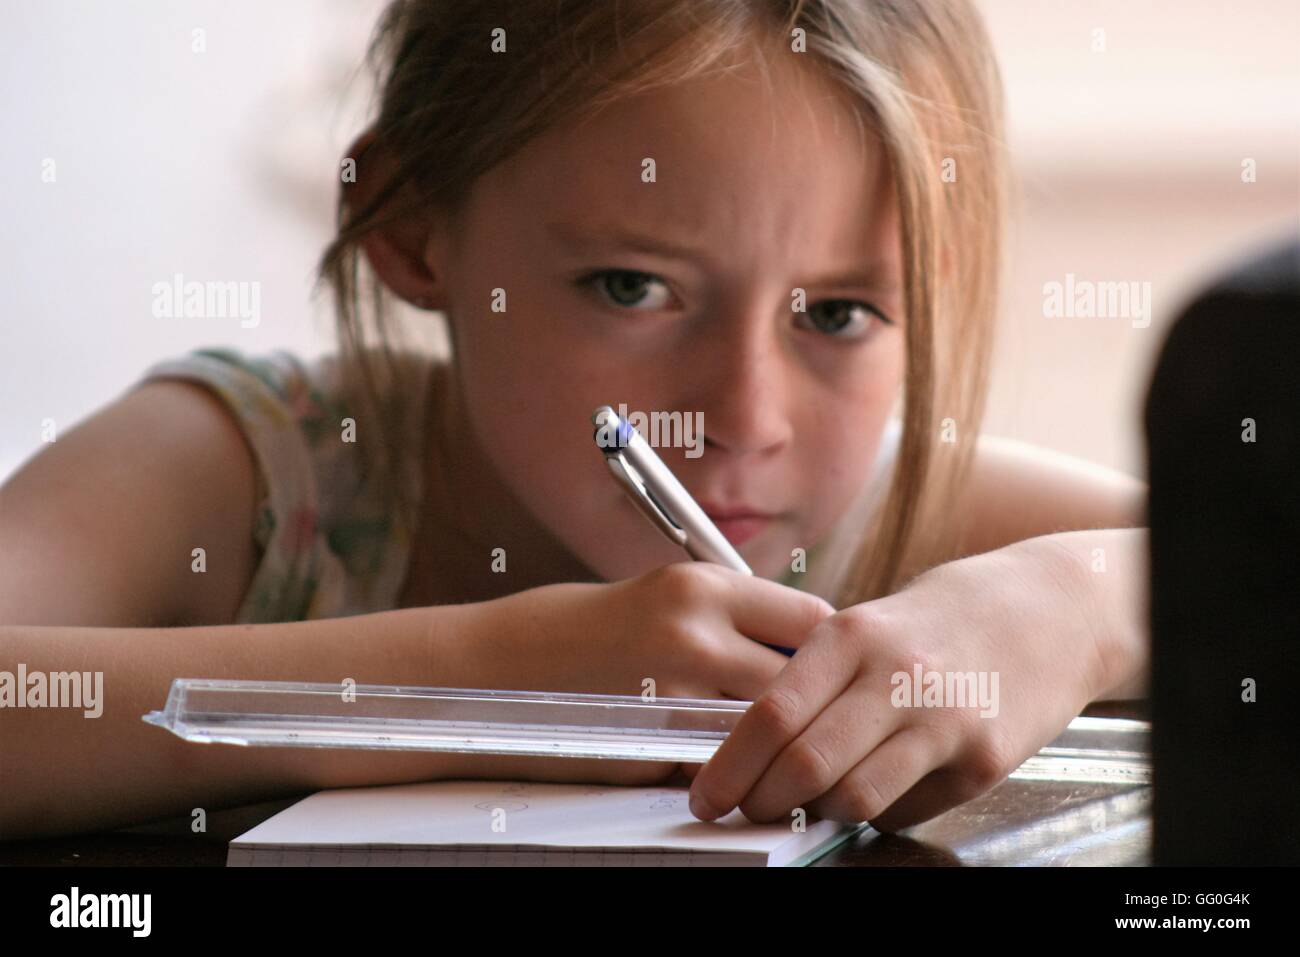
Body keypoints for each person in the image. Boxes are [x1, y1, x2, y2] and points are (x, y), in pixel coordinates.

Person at [0, 0, 1146, 840]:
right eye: (630, 289)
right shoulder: (251, 472)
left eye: (839, 312)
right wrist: (482, 679)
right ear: (414, 225)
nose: (744, 422)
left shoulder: (907, 521)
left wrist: (1066, 608)